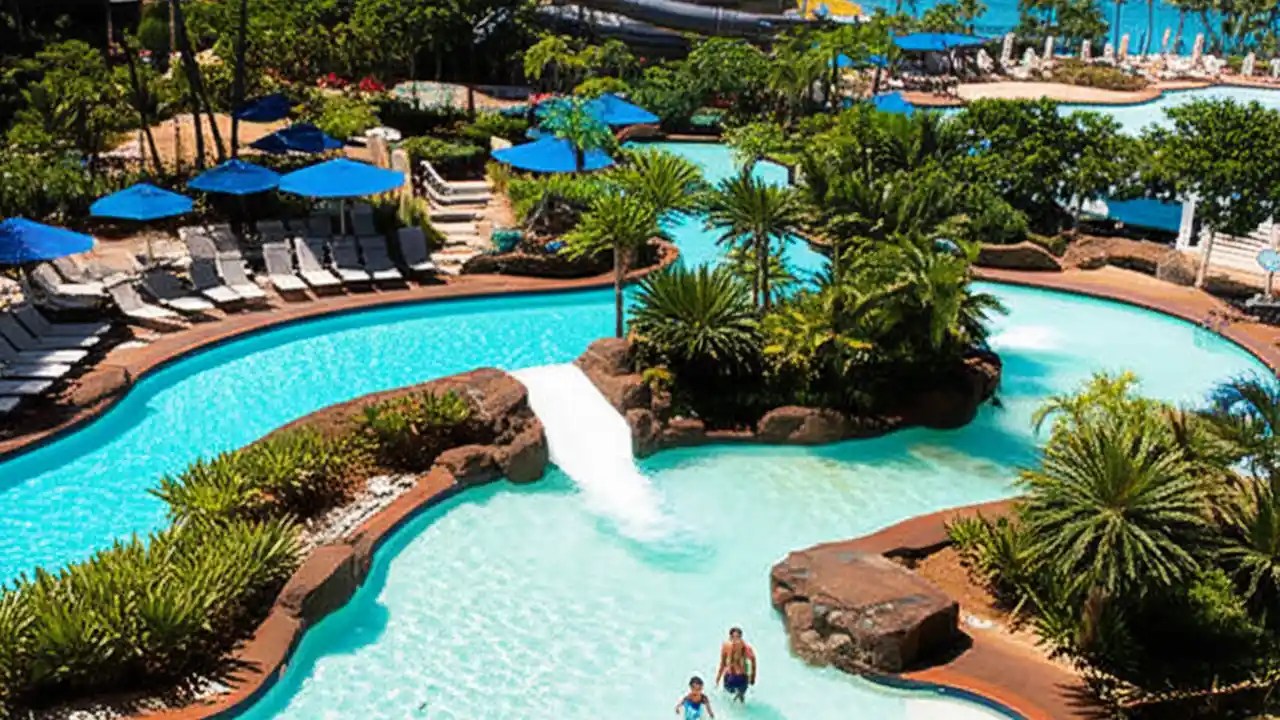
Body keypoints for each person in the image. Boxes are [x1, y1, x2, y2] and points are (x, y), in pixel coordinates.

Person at [716, 626, 756, 702]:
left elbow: (753, 661)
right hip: (729, 677)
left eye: (738, 637)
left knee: (741, 699)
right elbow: (723, 663)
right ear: (730, 637)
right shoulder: (726, 646)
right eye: (733, 637)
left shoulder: (746, 648)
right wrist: (718, 678)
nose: (735, 640)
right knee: (728, 699)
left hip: (742, 677)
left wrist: (753, 676)